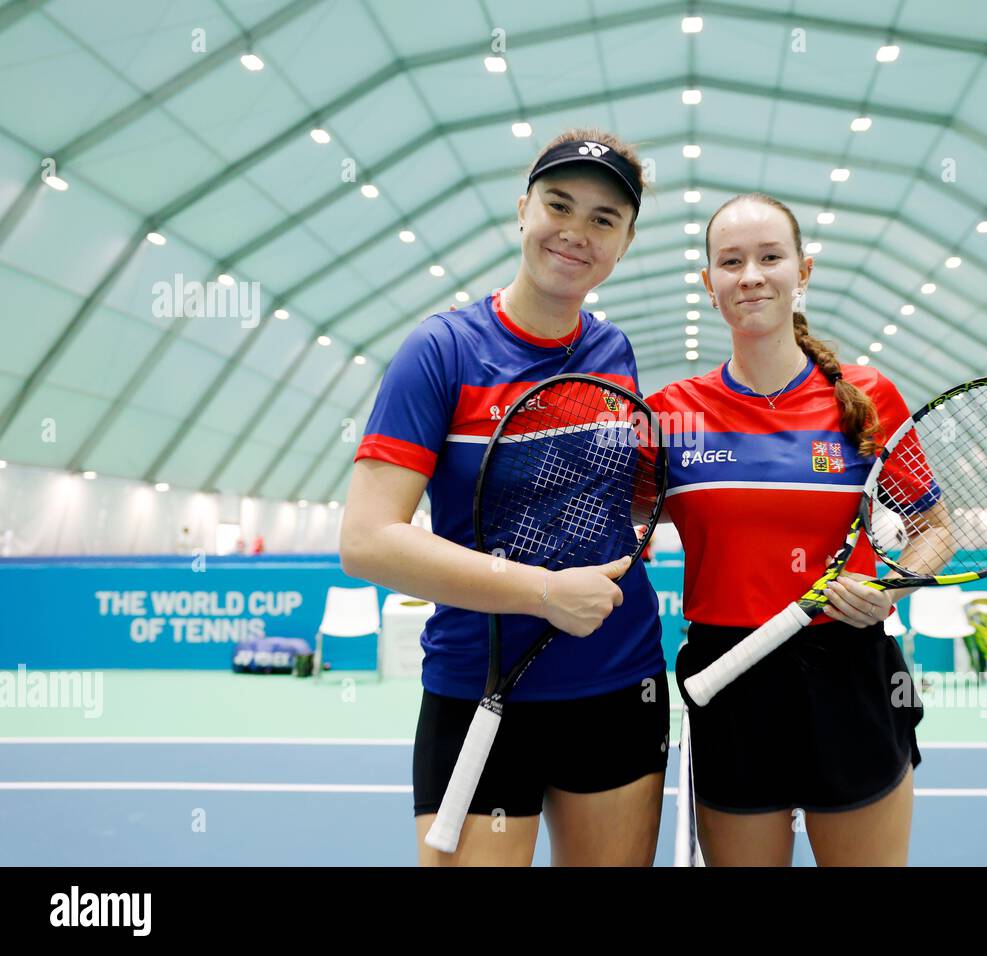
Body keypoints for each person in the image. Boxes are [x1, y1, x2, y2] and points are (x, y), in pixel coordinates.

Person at [340, 129, 668, 866]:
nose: (576, 232)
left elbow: (620, 498)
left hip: (618, 686)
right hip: (478, 685)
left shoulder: (615, 355)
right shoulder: (442, 351)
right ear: (523, 210)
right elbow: (366, 540)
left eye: (603, 220)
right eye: (560, 205)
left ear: (624, 245)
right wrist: (542, 593)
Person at [647, 192, 944, 866]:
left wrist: (891, 590)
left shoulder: (868, 397)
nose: (750, 274)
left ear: (801, 271)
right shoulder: (673, 413)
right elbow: (622, 516)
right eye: (731, 261)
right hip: (730, 676)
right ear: (709, 284)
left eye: (769, 257)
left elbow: (934, 525)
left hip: (851, 667)